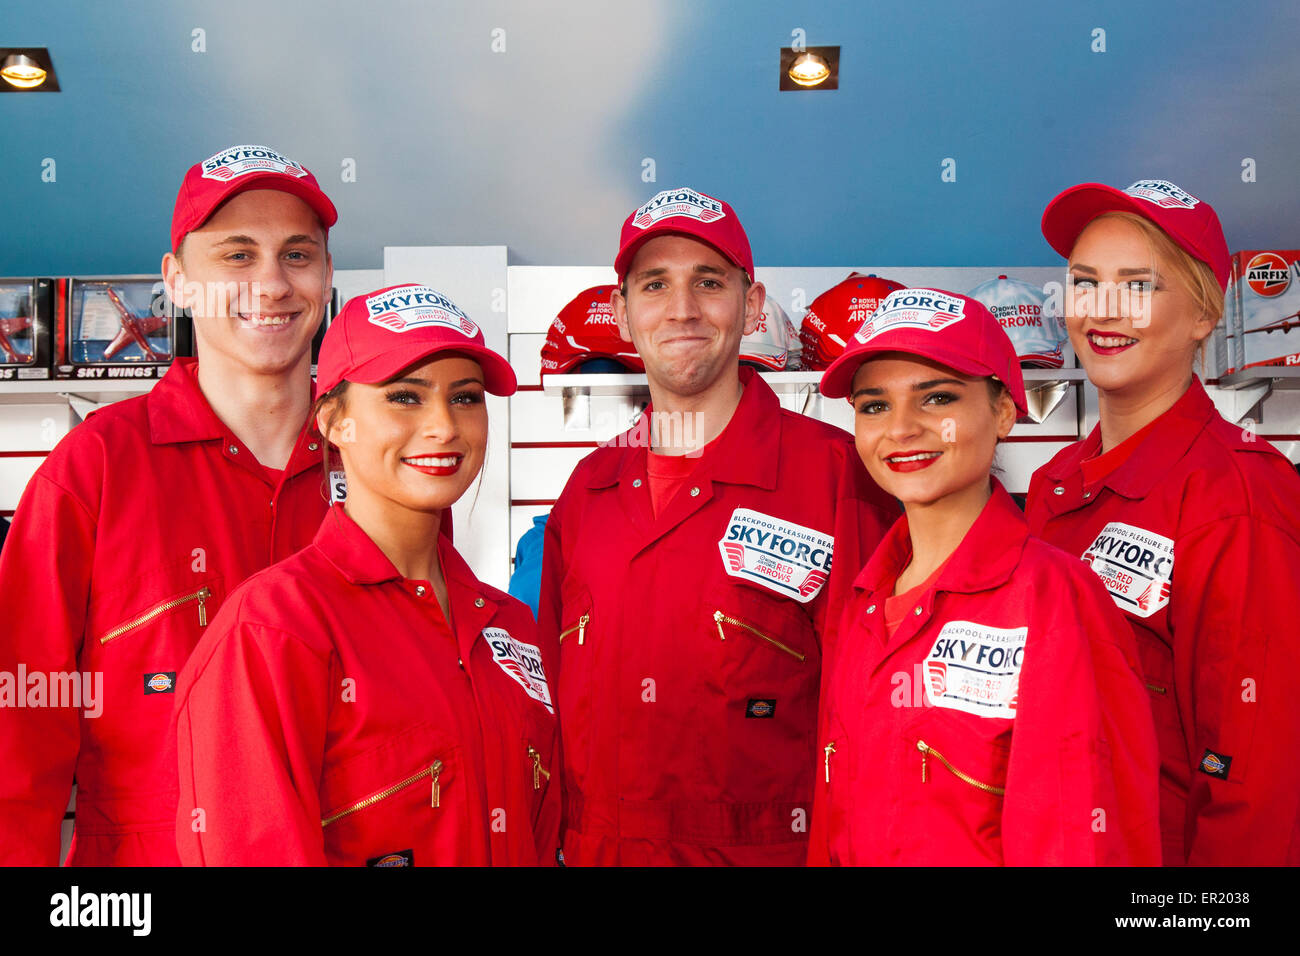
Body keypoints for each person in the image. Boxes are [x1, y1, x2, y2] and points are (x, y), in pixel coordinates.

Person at [538, 186, 897, 865]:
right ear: (621, 312)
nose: (682, 309)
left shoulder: (838, 480)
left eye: (709, 282)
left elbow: (873, 724)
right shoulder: (587, 492)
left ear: (751, 305)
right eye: (655, 285)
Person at [0, 144, 337, 866]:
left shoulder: (374, 469)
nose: (272, 284)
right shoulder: (93, 470)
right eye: (237, 257)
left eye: (297, 255)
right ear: (178, 282)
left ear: (327, 276)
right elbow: (20, 721)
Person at [175, 284, 559, 866]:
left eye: (466, 397)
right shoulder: (272, 629)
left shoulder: (512, 629)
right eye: (405, 397)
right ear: (333, 420)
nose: (443, 427)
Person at [807, 287, 1161, 865]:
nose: (900, 428)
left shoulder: (1055, 599)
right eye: (874, 406)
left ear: (1003, 413)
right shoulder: (862, 600)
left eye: (937, 398)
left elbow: (1079, 840)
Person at [1028, 178, 1300, 865]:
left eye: (1139, 286)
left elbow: (1258, 785)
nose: (1102, 310)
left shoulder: (1238, 498)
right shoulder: (1054, 484)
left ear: (1204, 314)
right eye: (1085, 282)